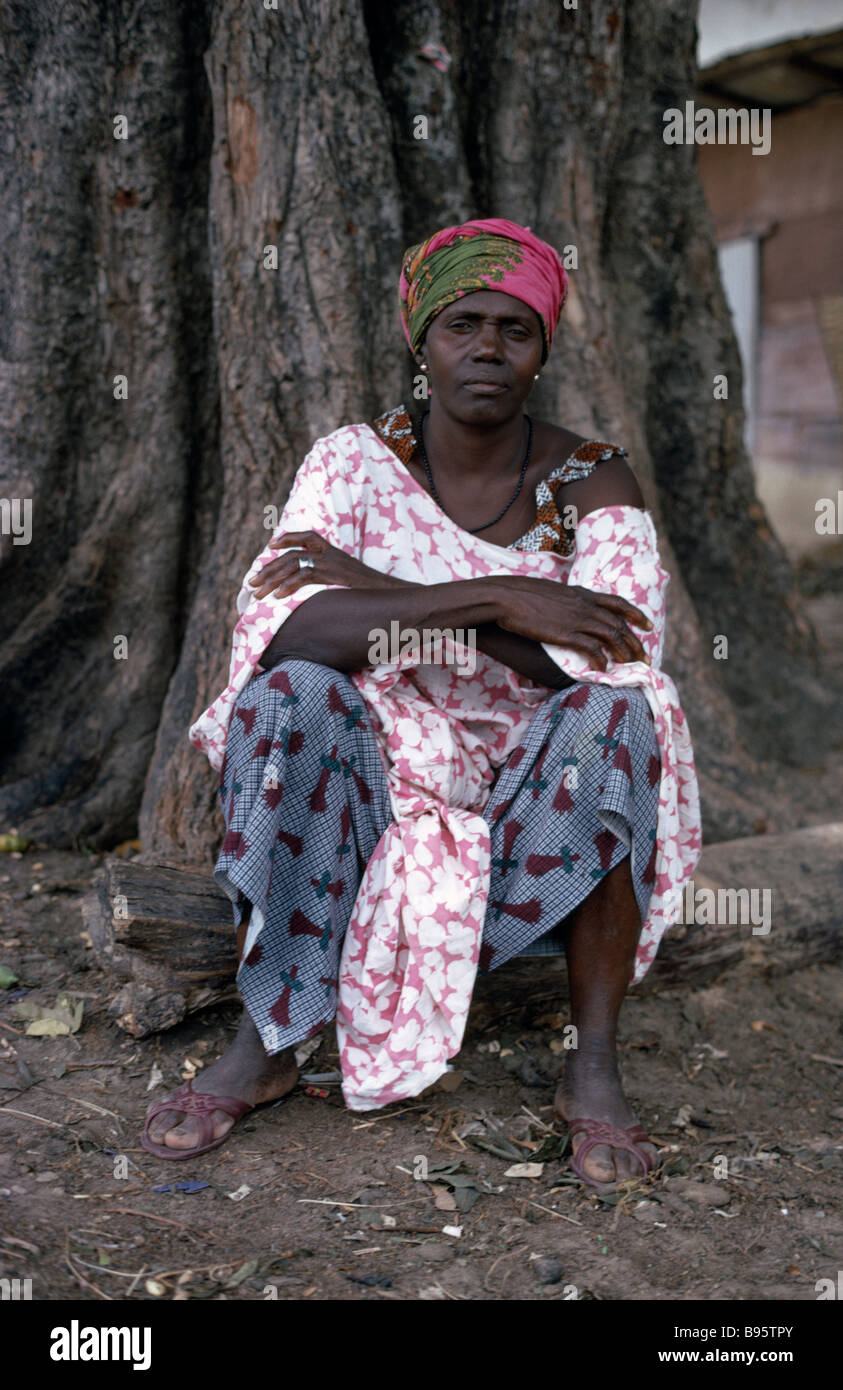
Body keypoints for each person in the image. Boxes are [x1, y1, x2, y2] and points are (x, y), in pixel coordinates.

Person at [141, 217, 701, 1189]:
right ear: (422, 341)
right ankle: (270, 1036)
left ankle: (594, 1061)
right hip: (365, 795)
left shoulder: (590, 476)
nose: (487, 346)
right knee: (293, 697)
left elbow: (614, 656)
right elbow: (290, 631)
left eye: (514, 328)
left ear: (543, 348)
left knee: (621, 720)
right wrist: (502, 598)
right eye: (463, 323)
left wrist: (376, 592)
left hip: (531, 802)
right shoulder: (354, 463)